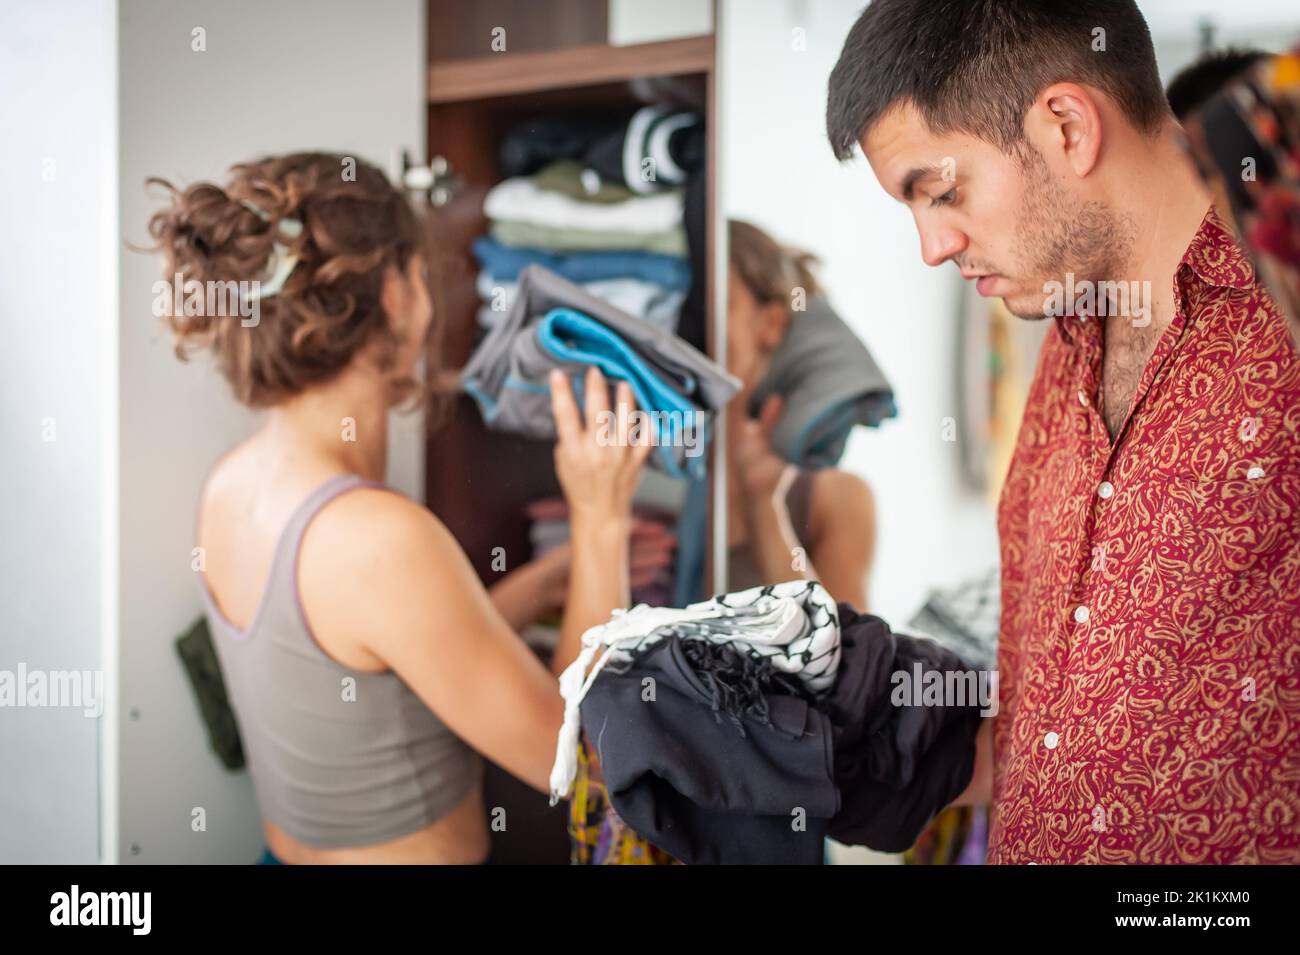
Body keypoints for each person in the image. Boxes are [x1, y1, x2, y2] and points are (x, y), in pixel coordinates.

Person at [827, 0, 1300, 863]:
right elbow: (1059, 741)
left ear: (1065, 126)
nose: (933, 246)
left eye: (942, 192)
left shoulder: (1282, 315)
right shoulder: (1064, 354)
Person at [148, 152, 651, 864]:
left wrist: (540, 584)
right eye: (420, 272)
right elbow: (570, 760)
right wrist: (601, 519)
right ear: (395, 295)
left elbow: (385, 657)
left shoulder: (231, 484)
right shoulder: (376, 538)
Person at [725, 220, 876, 609]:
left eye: (718, 303)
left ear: (771, 323)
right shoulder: (620, 455)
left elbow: (849, 661)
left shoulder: (836, 499)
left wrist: (764, 506)